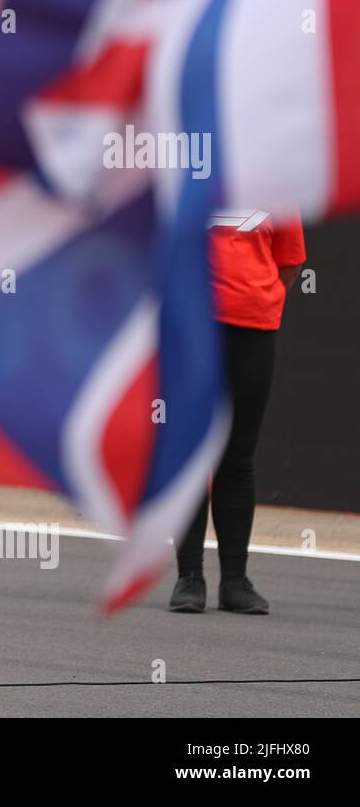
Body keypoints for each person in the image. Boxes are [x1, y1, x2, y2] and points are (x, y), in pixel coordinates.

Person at [169, 211, 305, 615]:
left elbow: (290, 261)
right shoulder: (182, 179)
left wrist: (259, 300)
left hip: (254, 328)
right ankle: (189, 577)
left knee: (238, 453)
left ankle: (234, 581)